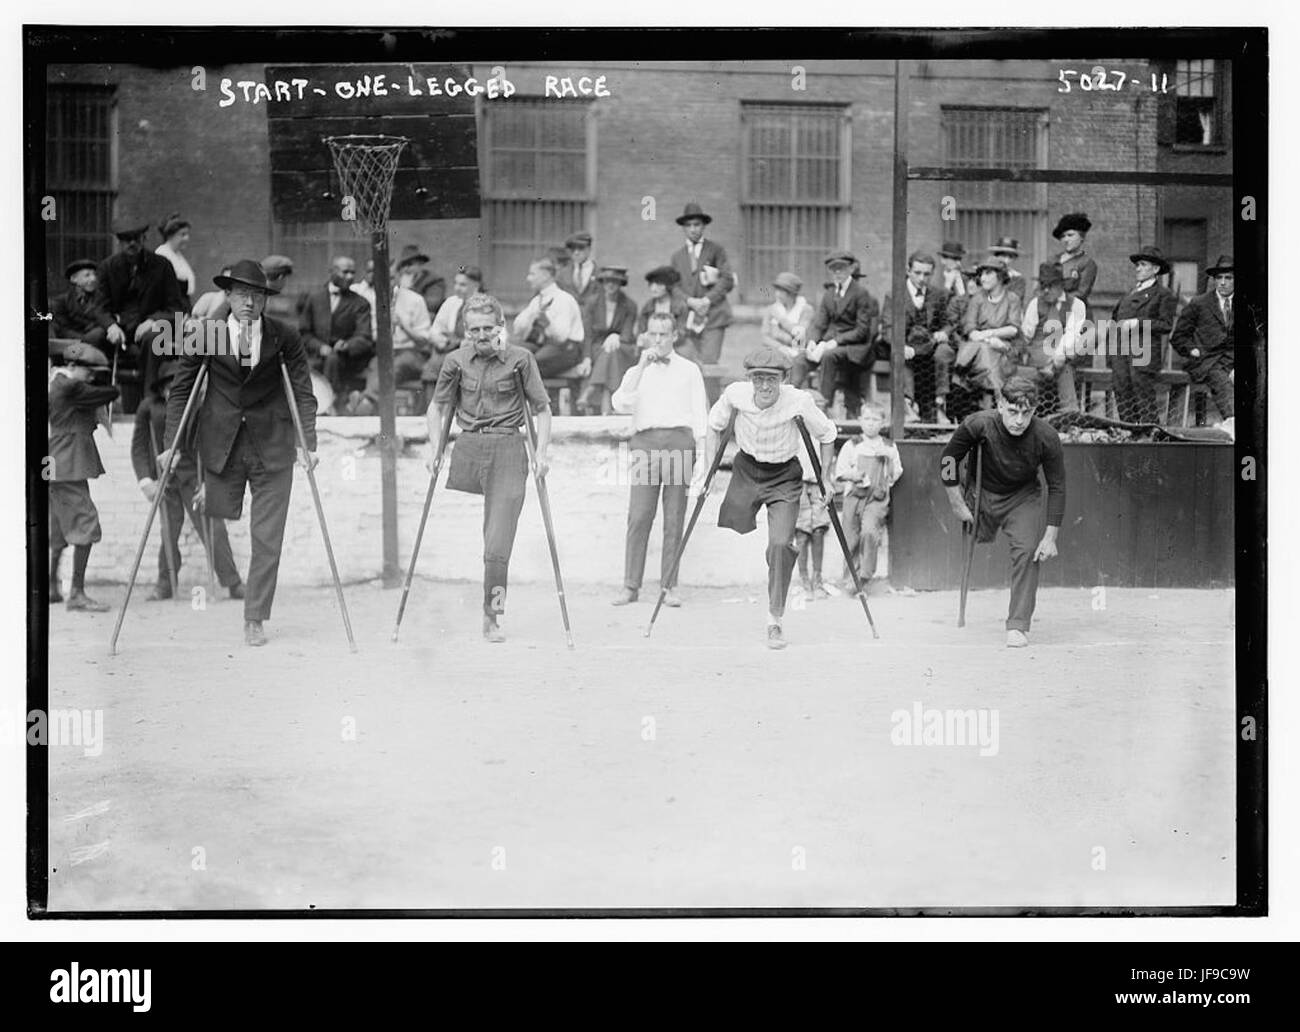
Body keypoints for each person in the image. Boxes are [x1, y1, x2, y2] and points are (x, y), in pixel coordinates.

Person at [160, 260, 317, 647]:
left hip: (273, 445)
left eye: (257, 295)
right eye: (242, 294)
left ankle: (254, 616)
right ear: (227, 296)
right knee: (215, 513)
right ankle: (219, 580)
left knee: (268, 537)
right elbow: (181, 391)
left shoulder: (283, 336)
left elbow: (302, 391)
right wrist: (171, 447)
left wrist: (306, 443)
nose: (249, 302)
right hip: (221, 445)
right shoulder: (206, 335)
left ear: (265, 300)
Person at [428, 293, 552, 643]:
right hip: (469, 448)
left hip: (509, 450)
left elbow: (542, 410)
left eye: (488, 327)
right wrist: (435, 447)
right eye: (474, 329)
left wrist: (541, 453)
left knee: (497, 545)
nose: (481, 335)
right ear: (466, 331)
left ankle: (492, 614)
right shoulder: (455, 361)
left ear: (501, 326)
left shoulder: (521, 360)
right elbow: (436, 409)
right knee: (477, 539)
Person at [704, 345, 838, 650]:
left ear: (785, 378)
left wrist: (827, 477)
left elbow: (828, 434)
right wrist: (707, 471)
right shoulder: (735, 394)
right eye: (758, 378)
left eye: (772, 379)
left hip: (784, 477)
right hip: (747, 472)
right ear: (750, 379)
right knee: (736, 523)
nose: (765, 386)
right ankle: (776, 560)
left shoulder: (799, 401)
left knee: (779, 545)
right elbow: (714, 427)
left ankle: (774, 619)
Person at [939, 375, 1066, 648]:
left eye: (1026, 413)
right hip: (981, 494)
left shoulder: (1046, 436)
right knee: (978, 538)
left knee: (1028, 550)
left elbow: (1057, 485)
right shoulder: (978, 424)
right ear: (1000, 405)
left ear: (1035, 410)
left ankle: (1018, 625)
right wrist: (956, 502)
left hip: (1022, 497)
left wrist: (1050, 536)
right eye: (1012, 411)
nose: (1019, 420)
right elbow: (949, 458)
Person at [609, 312, 709, 608]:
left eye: (663, 334)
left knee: (674, 517)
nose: (657, 340)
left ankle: (670, 586)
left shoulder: (689, 370)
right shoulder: (637, 371)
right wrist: (640, 365)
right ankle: (631, 586)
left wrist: (702, 455)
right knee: (639, 516)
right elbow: (620, 403)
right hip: (645, 443)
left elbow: (699, 415)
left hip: (679, 442)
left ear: (674, 336)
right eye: (652, 334)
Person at [131, 360, 243, 601]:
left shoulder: (199, 407)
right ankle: (165, 584)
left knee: (214, 529)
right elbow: (139, 447)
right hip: (165, 480)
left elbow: (215, 447)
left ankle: (233, 583)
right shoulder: (148, 408)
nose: (174, 390)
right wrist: (145, 481)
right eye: (169, 386)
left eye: (179, 384)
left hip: (194, 476)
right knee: (168, 532)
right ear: (161, 388)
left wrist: (209, 484)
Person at [48, 343, 120, 611]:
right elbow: (111, 392)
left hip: (54, 462)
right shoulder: (69, 386)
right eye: (89, 371)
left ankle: (52, 588)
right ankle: (76, 594)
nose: (92, 377)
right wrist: (108, 384)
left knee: (57, 527)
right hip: (68, 463)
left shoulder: (54, 383)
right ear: (71, 366)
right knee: (86, 523)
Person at [91, 214, 186, 399]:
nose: (132, 244)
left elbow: (176, 307)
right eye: (126, 240)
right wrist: (110, 326)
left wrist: (153, 321)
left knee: (154, 338)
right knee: (92, 338)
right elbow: (100, 308)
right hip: (119, 327)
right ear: (119, 242)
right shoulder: (107, 267)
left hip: (151, 328)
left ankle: (149, 401)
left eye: (136, 238)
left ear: (144, 238)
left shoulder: (162, 266)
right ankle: (95, 399)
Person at [834, 402, 903, 590]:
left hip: (876, 499)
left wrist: (887, 458)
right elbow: (839, 472)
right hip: (854, 497)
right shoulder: (852, 444)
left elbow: (896, 474)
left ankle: (864, 576)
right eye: (867, 419)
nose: (871, 423)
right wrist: (853, 476)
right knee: (851, 538)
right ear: (860, 421)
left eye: (875, 419)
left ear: (883, 423)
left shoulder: (889, 446)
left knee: (870, 532)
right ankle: (851, 579)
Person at [355, 257, 436, 416]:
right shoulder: (373, 299)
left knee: (395, 365)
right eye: (383, 278)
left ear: (399, 276)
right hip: (386, 352)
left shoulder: (415, 300)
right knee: (375, 364)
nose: (388, 282)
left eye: (391, 277)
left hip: (413, 354)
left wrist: (404, 326)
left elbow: (424, 341)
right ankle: (367, 402)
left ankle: (365, 401)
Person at [1109, 245, 1177, 424]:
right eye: (1137, 265)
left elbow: (1166, 325)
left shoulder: (1163, 294)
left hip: (1143, 352)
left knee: (1143, 395)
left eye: (1143, 265)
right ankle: (1128, 432)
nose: (1138, 268)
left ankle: (1150, 436)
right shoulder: (1129, 294)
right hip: (1121, 352)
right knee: (1122, 391)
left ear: (1155, 269)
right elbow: (1114, 320)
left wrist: (1137, 323)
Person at [298, 255, 373, 414]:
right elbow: (304, 333)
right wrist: (320, 347)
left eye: (353, 272)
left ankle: (328, 406)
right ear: (331, 272)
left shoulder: (360, 303)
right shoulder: (314, 298)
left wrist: (347, 345)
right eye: (345, 272)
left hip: (347, 359)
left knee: (333, 359)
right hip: (316, 356)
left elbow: (365, 337)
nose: (350, 277)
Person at [811, 250, 881, 419]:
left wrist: (835, 342)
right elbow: (820, 323)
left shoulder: (861, 293)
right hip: (835, 346)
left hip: (856, 347)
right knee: (800, 358)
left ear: (851, 269)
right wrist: (812, 342)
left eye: (841, 268)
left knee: (829, 356)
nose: (837, 273)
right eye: (833, 269)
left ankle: (822, 407)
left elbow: (863, 330)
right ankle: (794, 409)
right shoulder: (829, 294)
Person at [1170, 254, 1235, 425]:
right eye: (1218, 277)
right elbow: (1178, 337)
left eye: (1228, 278)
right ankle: (1233, 421)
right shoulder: (1199, 303)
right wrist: (1192, 349)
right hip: (1206, 361)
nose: (1222, 282)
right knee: (1221, 381)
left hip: (1233, 360)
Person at [669, 202, 735, 365]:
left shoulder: (716, 250)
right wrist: (690, 301)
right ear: (683, 228)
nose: (693, 229)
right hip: (687, 318)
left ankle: (711, 391)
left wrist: (706, 300)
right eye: (688, 225)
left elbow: (727, 279)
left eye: (697, 224)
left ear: (704, 226)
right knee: (686, 362)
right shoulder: (677, 257)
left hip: (713, 316)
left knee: (709, 362)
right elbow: (673, 286)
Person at [886, 251, 949, 423]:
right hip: (905, 346)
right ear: (908, 270)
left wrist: (944, 332)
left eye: (927, 274)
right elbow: (888, 327)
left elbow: (947, 322)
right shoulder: (894, 295)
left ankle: (939, 406)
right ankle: (907, 406)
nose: (922, 278)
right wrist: (900, 346)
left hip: (928, 346)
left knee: (943, 353)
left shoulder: (938, 295)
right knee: (901, 357)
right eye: (917, 273)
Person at [954, 257, 1024, 407]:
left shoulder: (1012, 299)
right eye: (981, 274)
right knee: (987, 351)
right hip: (976, 349)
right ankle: (999, 399)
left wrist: (989, 335)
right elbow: (971, 331)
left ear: (999, 276)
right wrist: (989, 340)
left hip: (1004, 348)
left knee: (993, 355)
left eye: (987, 273)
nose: (982, 278)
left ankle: (990, 403)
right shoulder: (977, 299)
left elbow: (1013, 329)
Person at [1020, 262, 1088, 414]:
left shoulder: (1076, 305)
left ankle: (1068, 415)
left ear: (1060, 286)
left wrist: (1057, 358)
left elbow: (1072, 334)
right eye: (1042, 285)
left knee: (1065, 365)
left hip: (1062, 357)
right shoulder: (1035, 304)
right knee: (1062, 369)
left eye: (1049, 286)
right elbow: (1027, 335)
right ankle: (1069, 412)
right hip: (1038, 357)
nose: (1045, 290)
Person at [578, 266, 639, 415]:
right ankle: (608, 408)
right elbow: (588, 335)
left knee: (612, 351)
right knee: (609, 355)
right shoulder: (592, 303)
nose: (610, 285)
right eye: (607, 282)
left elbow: (628, 333)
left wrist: (615, 336)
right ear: (602, 283)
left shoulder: (629, 305)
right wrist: (586, 358)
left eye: (615, 282)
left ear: (621, 284)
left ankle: (591, 389)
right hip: (597, 347)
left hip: (622, 347)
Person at [512, 256, 586, 379]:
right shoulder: (537, 300)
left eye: (532, 274)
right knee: (512, 356)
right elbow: (517, 329)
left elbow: (561, 337)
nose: (528, 278)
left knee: (532, 364)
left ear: (546, 275)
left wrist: (547, 323)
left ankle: (531, 397)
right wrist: (531, 316)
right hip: (543, 345)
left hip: (567, 349)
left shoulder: (564, 299)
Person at [424, 265, 483, 390]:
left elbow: (499, 337)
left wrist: (465, 343)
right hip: (451, 350)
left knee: (440, 365)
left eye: (463, 285)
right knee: (432, 366)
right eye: (456, 283)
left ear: (476, 285)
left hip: (476, 354)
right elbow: (435, 330)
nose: (457, 288)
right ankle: (433, 406)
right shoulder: (452, 302)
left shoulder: (485, 305)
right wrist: (443, 340)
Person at [761, 272, 816, 387]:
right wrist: (781, 347)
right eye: (776, 290)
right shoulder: (772, 309)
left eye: (782, 291)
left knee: (794, 363)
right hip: (776, 350)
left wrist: (780, 321)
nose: (777, 294)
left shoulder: (806, 310)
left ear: (791, 293)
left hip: (797, 353)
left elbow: (800, 337)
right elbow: (765, 337)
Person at [50, 260, 108, 351]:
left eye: (94, 275)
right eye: (87, 275)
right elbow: (62, 328)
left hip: (99, 347)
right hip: (71, 346)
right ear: (74, 279)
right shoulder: (61, 301)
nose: (93, 279)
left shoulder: (103, 298)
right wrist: (84, 339)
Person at [1052, 213, 1097, 312]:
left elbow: (1082, 293)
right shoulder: (1052, 260)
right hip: (1052, 312)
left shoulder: (1087, 263)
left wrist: (1058, 299)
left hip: (1075, 312)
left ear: (1082, 237)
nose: (1066, 240)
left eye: (1070, 235)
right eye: (1063, 236)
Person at [636, 265, 690, 345]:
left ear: (668, 286)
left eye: (659, 285)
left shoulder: (680, 306)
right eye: (651, 285)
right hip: (651, 345)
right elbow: (641, 331)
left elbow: (681, 332)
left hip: (675, 345)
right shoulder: (647, 307)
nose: (653, 289)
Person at [393, 245, 446, 320]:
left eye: (410, 264)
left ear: (420, 264)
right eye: (403, 265)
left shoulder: (434, 281)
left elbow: (431, 305)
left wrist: (408, 289)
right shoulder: (398, 281)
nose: (406, 269)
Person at [154, 213, 195, 302]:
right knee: (178, 316)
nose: (187, 238)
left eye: (187, 234)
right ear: (170, 235)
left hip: (182, 304)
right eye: (182, 234)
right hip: (172, 305)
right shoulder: (162, 254)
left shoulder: (177, 255)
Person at [563, 231, 600, 308]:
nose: (576, 252)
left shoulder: (600, 275)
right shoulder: (562, 274)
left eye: (581, 248)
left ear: (589, 249)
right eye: (573, 249)